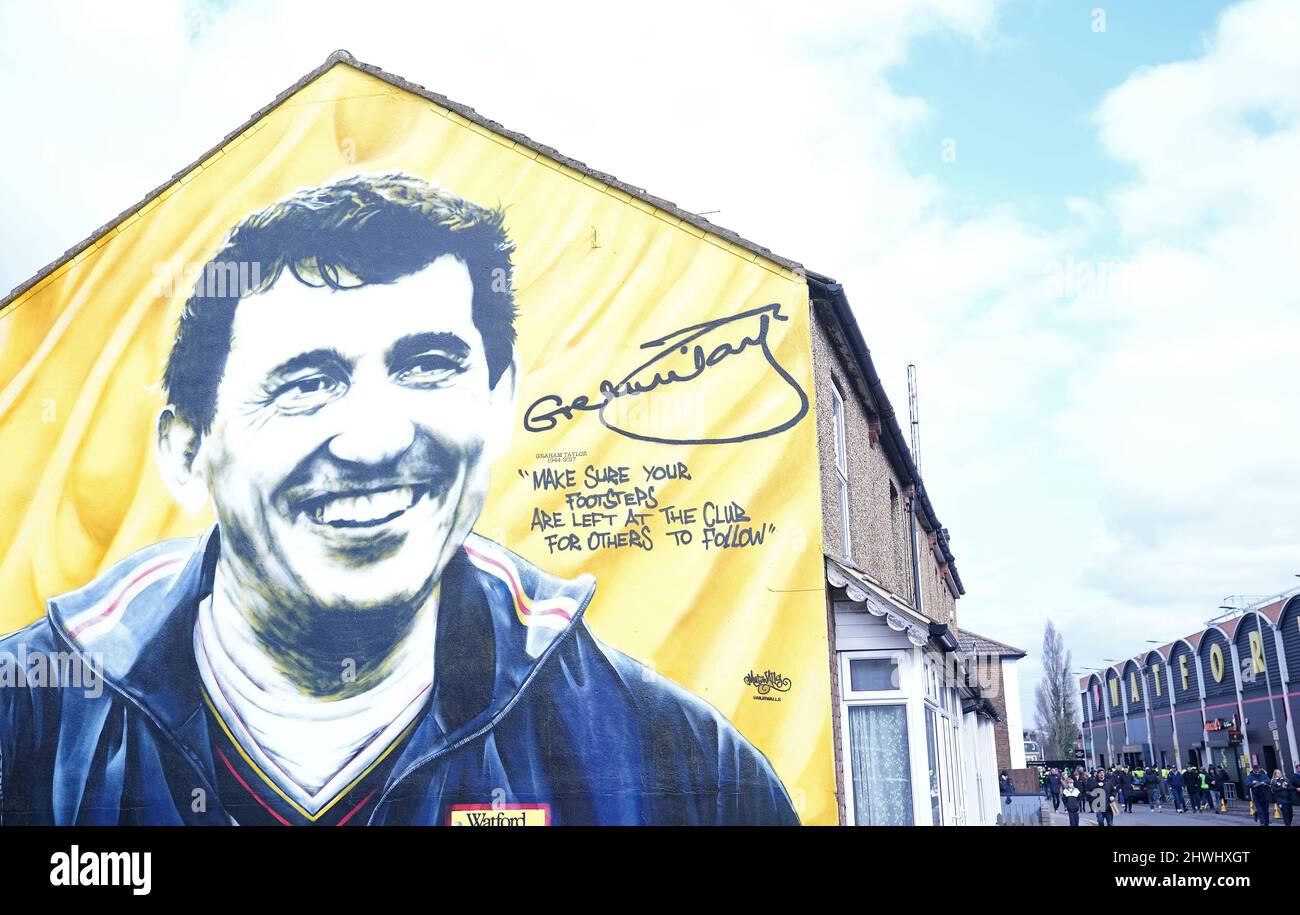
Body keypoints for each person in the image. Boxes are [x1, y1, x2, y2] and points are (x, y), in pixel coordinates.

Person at [0, 173, 797, 826]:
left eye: (427, 365)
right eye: (309, 382)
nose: (376, 441)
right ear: (185, 449)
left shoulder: (680, 768)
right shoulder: (26, 728)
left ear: (497, 399)